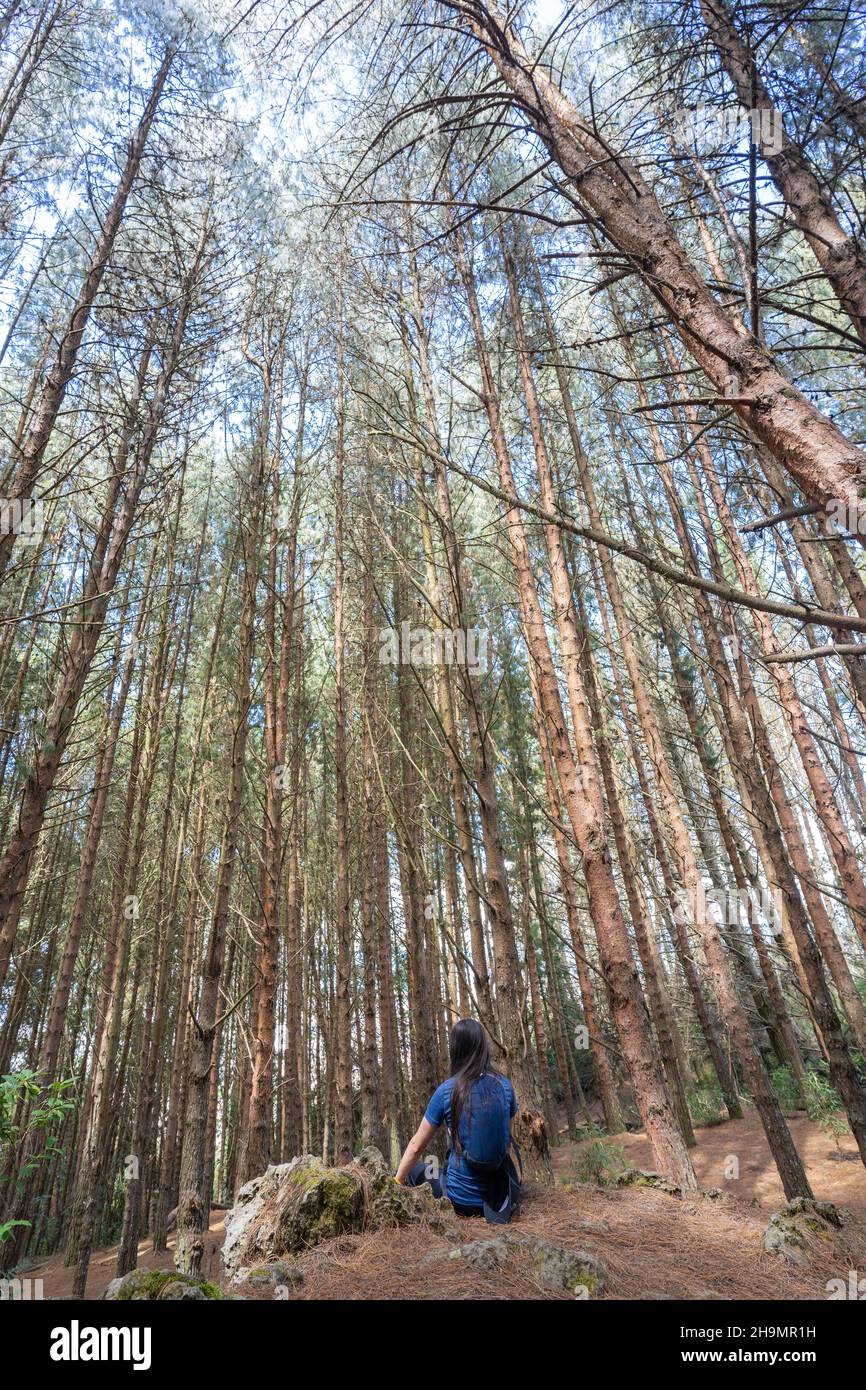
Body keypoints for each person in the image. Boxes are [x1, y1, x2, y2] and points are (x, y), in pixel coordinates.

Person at [394, 1018, 521, 1220]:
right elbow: (506, 1138)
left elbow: (416, 1146)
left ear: (456, 1050)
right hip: (499, 1200)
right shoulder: (505, 1085)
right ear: (483, 1047)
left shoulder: (448, 1090)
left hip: (460, 1200)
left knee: (416, 1171)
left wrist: (396, 1182)